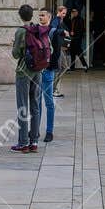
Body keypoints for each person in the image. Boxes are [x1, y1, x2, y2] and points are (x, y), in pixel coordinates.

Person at [11, 4, 48, 153]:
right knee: (35, 106)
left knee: (22, 106)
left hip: (23, 72)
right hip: (37, 71)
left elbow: (16, 54)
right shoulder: (38, 29)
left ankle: (23, 143)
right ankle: (34, 141)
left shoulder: (20, 31)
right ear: (32, 15)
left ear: (20, 16)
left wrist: (14, 45)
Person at [37, 8, 66, 142]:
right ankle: (35, 130)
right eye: (39, 16)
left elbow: (57, 53)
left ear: (49, 17)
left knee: (48, 103)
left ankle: (49, 131)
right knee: (36, 103)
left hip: (47, 71)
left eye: (43, 15)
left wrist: (50, 66)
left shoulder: (54, 32)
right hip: (36, 72)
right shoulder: (35, 31)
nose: (40, 18)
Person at [50, 5, 71, 97]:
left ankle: (53, 88)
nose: (64, 15)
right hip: (56, 48)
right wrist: (63, 32)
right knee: (59, 68)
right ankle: (52, 89)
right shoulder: (56, 20)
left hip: (60, 47)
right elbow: (53, 30)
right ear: (58, 12)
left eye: (65, 13)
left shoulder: (60, 20)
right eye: (63, 13)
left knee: (64, 66)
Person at [66, 6, 87, 70]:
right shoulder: (72, 19)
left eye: (75, 12)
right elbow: (69, 26)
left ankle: (85, 65)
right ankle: (72, 67)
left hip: (77, 38)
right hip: (72, 38)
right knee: (72, 52)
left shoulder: (80, 19)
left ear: (77, 12)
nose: (74, 13)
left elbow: (82, 29)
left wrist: (75, 34)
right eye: (73, 12)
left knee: (79, 52)